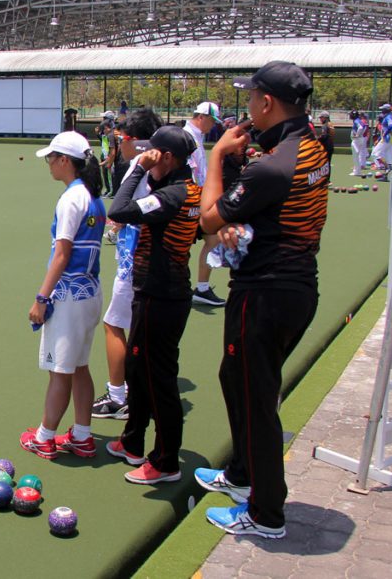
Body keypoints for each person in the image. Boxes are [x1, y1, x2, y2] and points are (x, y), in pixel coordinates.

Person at [195, 60, 328, 539]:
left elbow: (209, 219)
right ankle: (241, 475)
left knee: (256, 400)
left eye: (251, 97)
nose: (247, 104)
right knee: (237, 378)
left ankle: (266, 513)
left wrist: (216, 158)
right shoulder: (313, 142)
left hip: (266, 293)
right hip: (293, 286)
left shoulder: (273, 166)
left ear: (266, 103)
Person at [105, 125, 201, 485]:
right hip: (159, 293)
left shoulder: (173, 195)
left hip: (161, 297)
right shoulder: (185, 189)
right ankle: (132, 441)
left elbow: (120, 209)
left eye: (154, 153)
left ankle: (165, 461)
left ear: (168, 158)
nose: (147, 157)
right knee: (137, 369)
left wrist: (138, 168)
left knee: (158, 379)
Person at [18, 132, 106, 460]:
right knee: (80, 366)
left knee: (61, 371)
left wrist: (41, 299)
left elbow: (61, 255)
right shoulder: (93, 196)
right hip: (90, 293)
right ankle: (82, 435)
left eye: (51, 158)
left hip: (68, 297)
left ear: (65, 161)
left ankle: (44, 437)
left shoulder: (71, 198)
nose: (48, 164)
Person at [92, 109, 162, 421]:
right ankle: (138, 389)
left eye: (122, 139)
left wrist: (115, 226)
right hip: (155, 254)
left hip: (136, 257)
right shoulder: (168, 162)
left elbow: (120, 209)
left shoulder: (139, 164)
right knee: (140, 325)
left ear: (134, 140)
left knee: (114, 323)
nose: (120, 144)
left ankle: (118, 395)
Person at [184, 102, 226, 307]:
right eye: (212, 120)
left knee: (213, 239)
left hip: (200, 200)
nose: (213, 126)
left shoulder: (197, 136)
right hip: (190, 202)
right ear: (201, 117)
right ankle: (193, 288)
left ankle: (201, 288)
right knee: (181, 246)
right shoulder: (186, 137)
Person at [373, 103, 392, 170]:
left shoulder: (388, 117)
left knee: (375, 154)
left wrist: (385, 134)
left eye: (383, 109)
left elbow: (391, 126)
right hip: (390, 139)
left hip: (387, 139)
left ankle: (385, 167)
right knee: (388, 158)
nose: (381, 111)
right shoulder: (390, 116)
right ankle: (387, 172)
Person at [350, 109, 369, 175]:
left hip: (357, 140)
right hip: (361, 139)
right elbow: (363, 128)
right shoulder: (359, 120)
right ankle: (357, 170)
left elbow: (360, 127)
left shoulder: (356, 121)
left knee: (355, 155)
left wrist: (357, 135)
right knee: (358, 154)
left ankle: (357, 171)